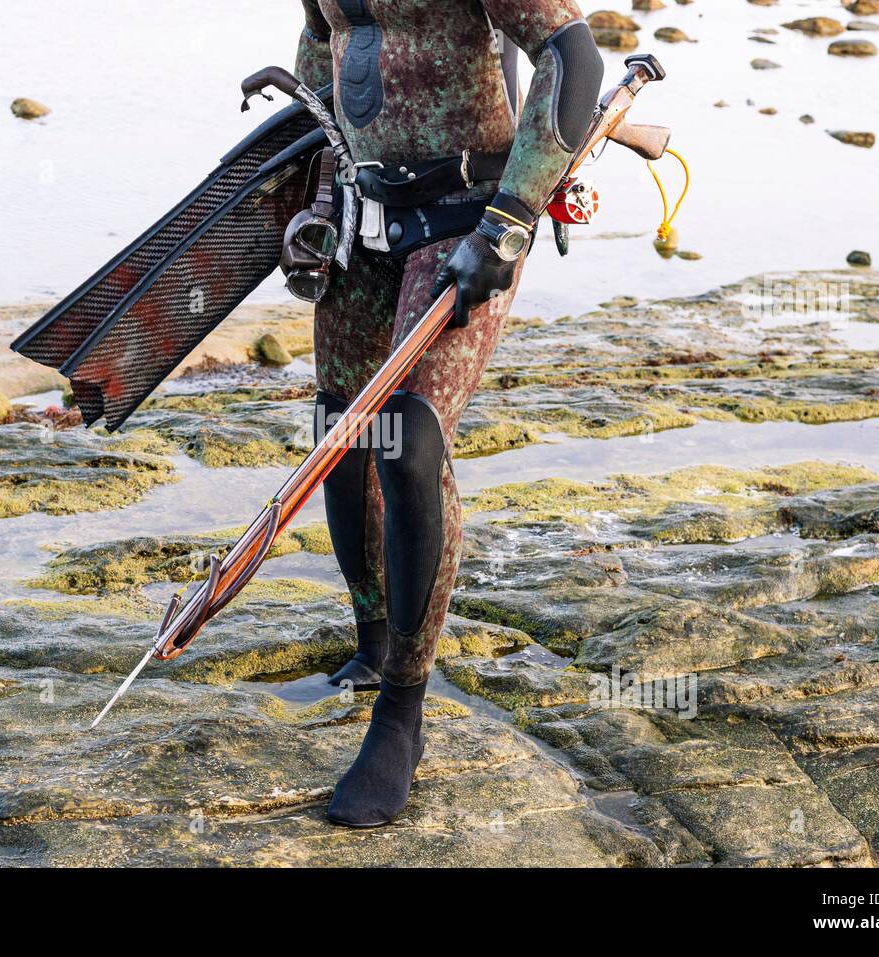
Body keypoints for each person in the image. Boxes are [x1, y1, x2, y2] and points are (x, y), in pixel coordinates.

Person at [294, 0, 603, 827]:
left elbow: (572, 59)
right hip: (364, 220)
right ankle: (370, 642)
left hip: (466, 216)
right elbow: (327, 52)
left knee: (408, 442)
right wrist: (313, 202)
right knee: (340, 433)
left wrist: (507, 223)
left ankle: (401, 710)